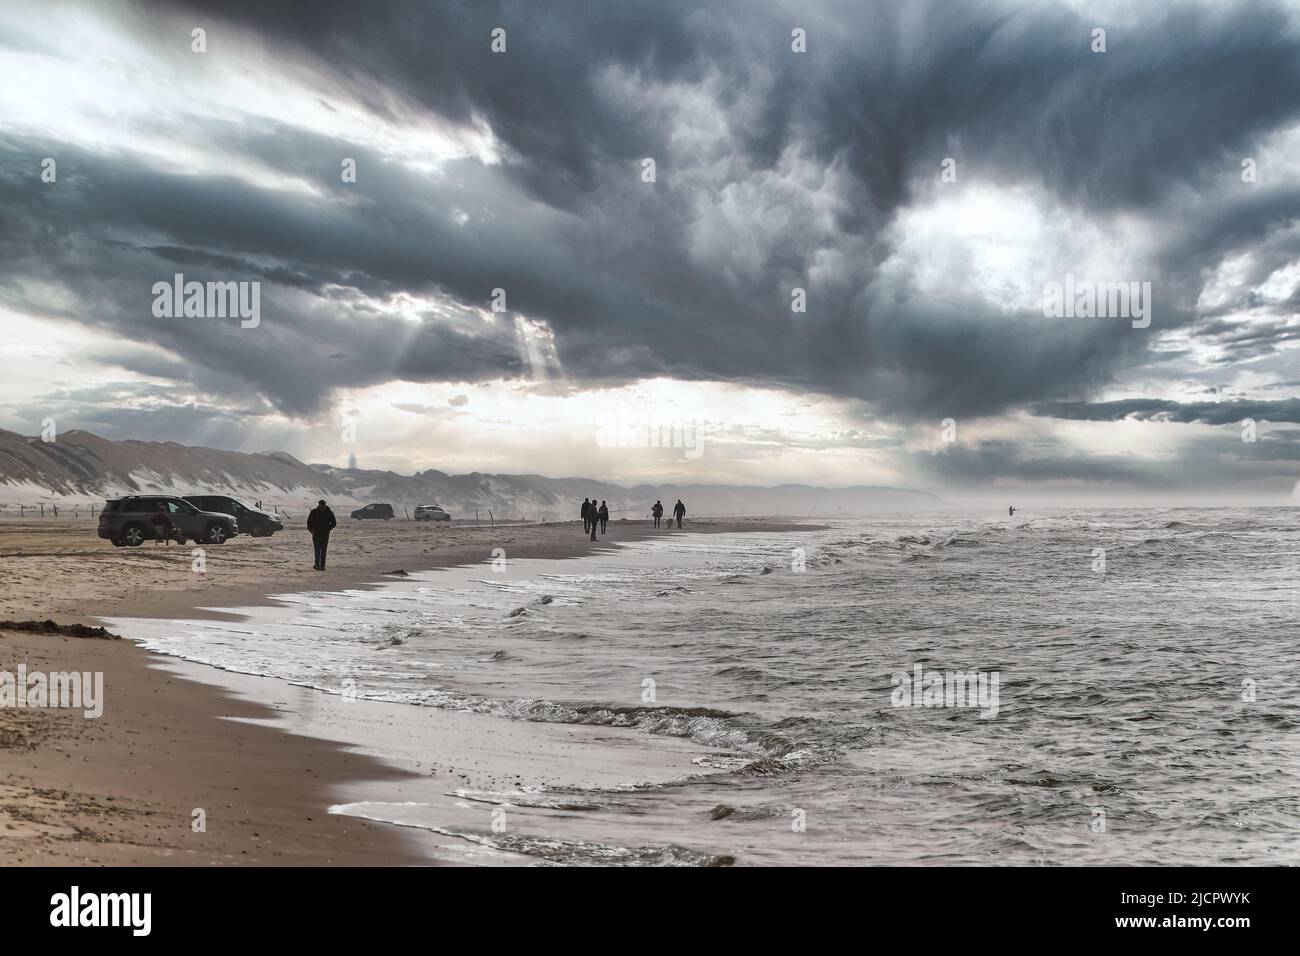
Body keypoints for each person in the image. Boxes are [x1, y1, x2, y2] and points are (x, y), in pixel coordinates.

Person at [307, 499, 337, 570]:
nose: (322, 507)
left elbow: (334, 523)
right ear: (319, 505)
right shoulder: (314, 512)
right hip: (316, 534)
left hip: (325, 534)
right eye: (321, 506)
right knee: (317, 550)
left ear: (325, 505)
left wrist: (328, 529)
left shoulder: (329, 512)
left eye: (323, 506)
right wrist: (311, 530)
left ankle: (322, 566)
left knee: (323, 551)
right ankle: (317, 565)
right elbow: (309, 522)